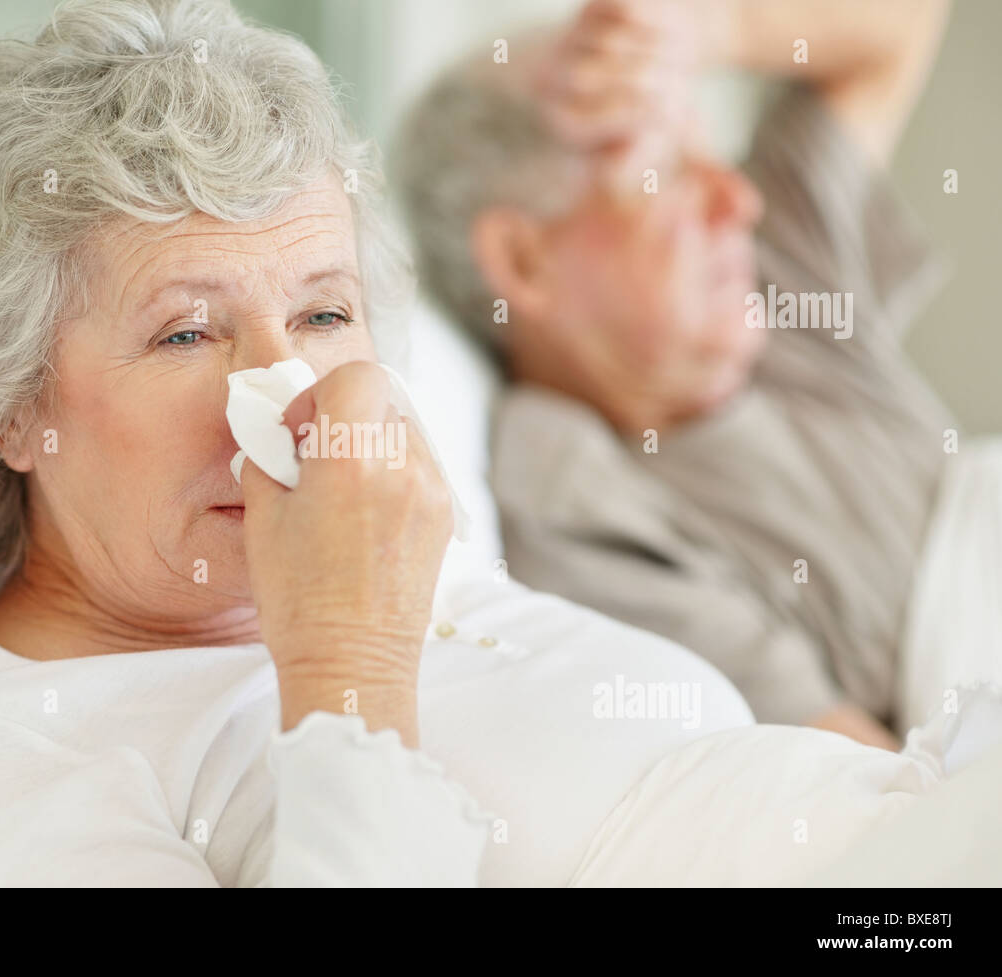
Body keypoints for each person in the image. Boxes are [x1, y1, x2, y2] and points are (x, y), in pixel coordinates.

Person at [0, 0, 997, 887]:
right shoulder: (7, 765)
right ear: (6, 400)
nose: (293, 386)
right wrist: (347, 658)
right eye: (187, 329)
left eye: (321, 312)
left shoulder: (422, 556)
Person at [394, 0, 958, 749]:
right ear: (524, 261)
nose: (739, 200)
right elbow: (882, 787)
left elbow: (904, 25)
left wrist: (711, 31)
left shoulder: (779, 266)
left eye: (711, 153)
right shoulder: (574, 503)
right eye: (664, 172)